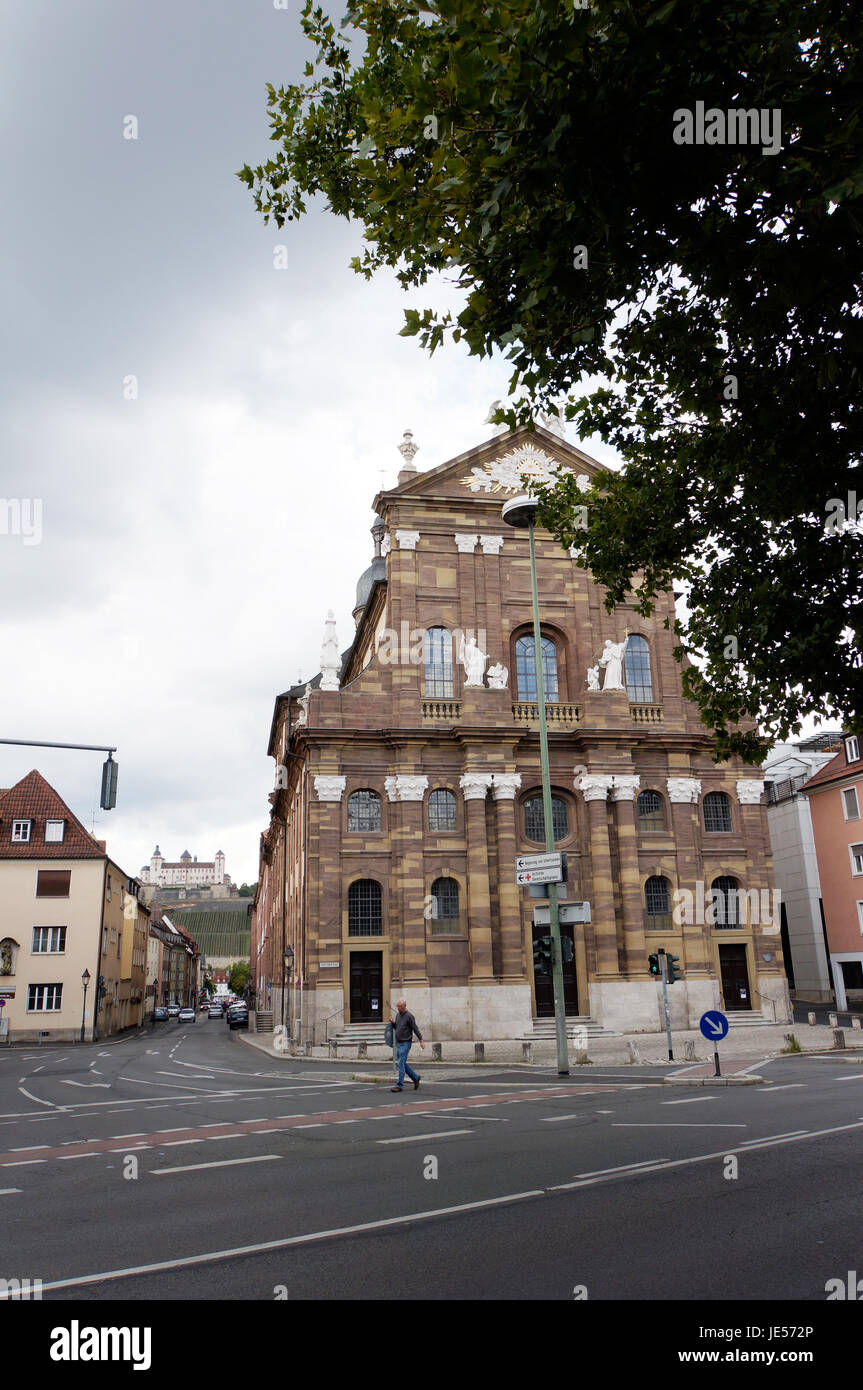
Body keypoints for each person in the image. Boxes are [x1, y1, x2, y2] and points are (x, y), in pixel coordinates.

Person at [389, 998, 425, 1091]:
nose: (398, 1008)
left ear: (404, 1006)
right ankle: (415, 1078)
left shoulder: (409, 1016)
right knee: (402, 1063)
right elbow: (397, 1027)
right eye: (397, 1006)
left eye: (400, 1006)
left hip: (406, 1043)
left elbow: (415, 1029)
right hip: (399, 1043)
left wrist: (421, 1040)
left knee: (400, 1063)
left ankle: (399, 1085)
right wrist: (393, 1023)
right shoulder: (398, 1015)